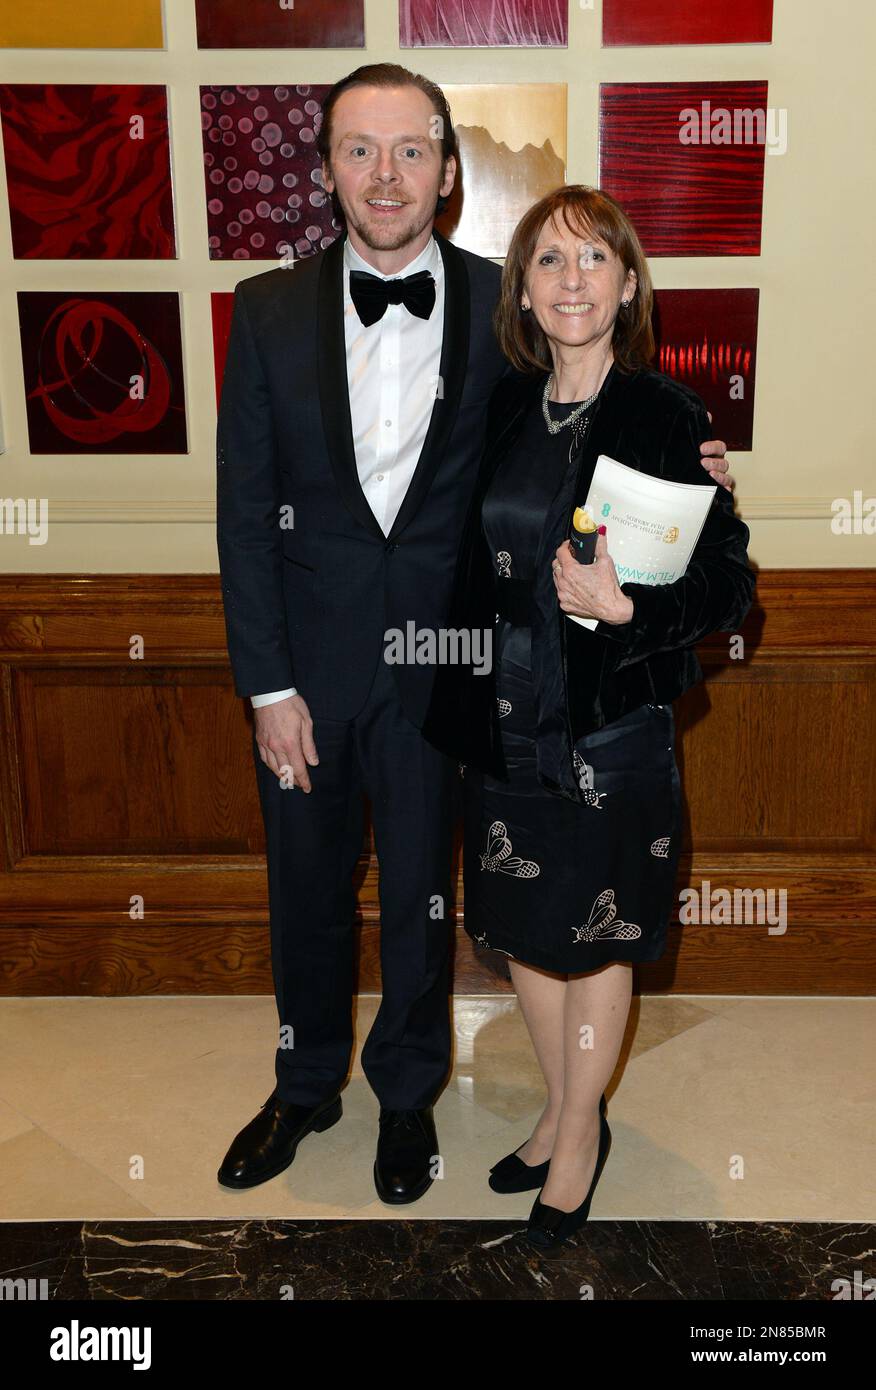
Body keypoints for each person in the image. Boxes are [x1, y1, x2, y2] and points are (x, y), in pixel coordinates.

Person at [215, 65, 733, 1205]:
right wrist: (266, 687)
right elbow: (242, 513)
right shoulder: (261, 311)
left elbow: (601, 419)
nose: (387, 175)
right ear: (328, 168)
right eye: (361, 149)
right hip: (304, 671)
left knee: (421, 890)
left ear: (449, 171)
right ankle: (304, 1083)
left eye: (412, 150)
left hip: (454, 674)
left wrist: (690, 470)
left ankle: (408, 1097)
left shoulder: (511, 306)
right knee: (303, 886)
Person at [421, 185, 755, 1247]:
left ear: (625, 286)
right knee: (523, 926)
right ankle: (569, 1109)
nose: (572, 281)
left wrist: (629, 608)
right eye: (550, 262)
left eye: (594, 261)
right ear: (523, 287)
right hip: (503, 716)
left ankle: (574, 1142)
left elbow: (730, 583)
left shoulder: (668, 416)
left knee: (599, 933)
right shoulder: (503, 404)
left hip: (607, 730)